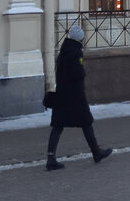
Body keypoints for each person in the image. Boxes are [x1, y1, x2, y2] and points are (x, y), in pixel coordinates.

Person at [45, 25, 113, 171]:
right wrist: (82, 72)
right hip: (74, 95)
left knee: (58, 125)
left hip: (62, 93)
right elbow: (77, 72)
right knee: (86, 122)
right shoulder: (75, 52)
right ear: (80, 39)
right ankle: (96, 152)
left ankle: (51, 157)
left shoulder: (64, 50)